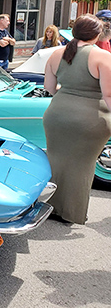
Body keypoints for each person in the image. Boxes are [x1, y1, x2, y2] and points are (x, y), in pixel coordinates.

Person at [43, 14, 111, 224]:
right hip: (90, 119)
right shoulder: (102, 56)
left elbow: (49, 88)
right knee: (82, 166)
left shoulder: (56, 53)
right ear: (97, 34)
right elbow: (108, 95)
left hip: (56, 115)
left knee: (56, 161)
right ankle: (72, 213)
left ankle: (49, 207)